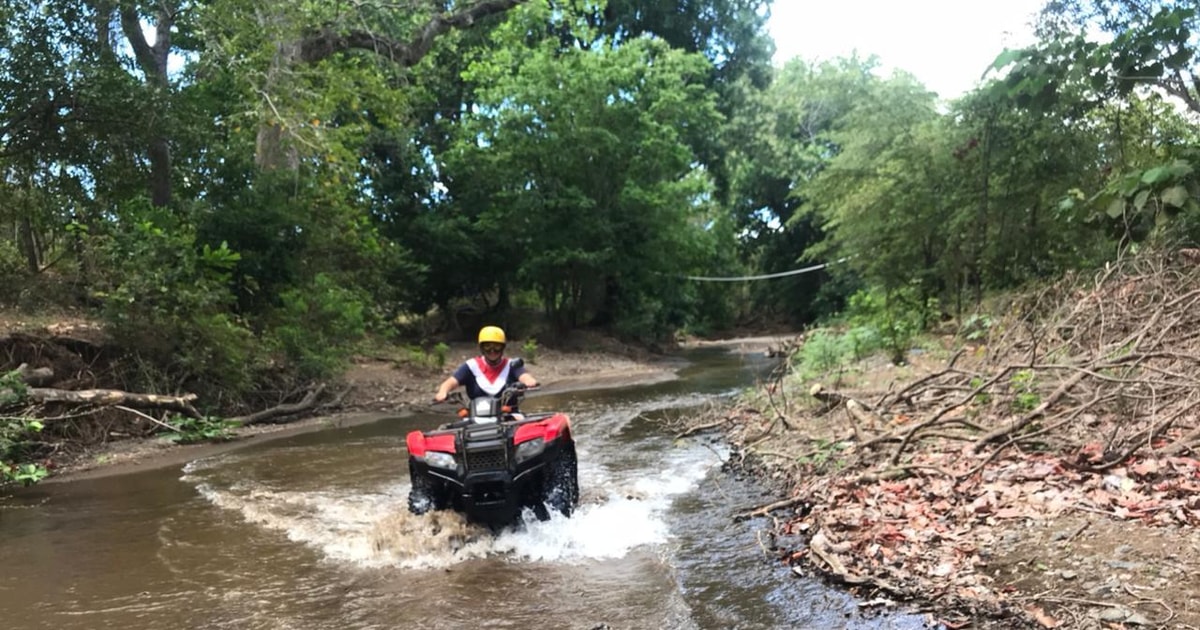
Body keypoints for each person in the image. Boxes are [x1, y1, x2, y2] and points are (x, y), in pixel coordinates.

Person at [434, 325, 538, 404]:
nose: (492, 350)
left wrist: (529, 381)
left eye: (496, 346)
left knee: (520, 421)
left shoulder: (511, 365)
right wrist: (443, 392)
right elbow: (450, 382)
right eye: (487, 346)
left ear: (502, 347)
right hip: (476, 415)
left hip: (509, 414)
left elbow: (524, 376)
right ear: (481, 348)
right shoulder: (471, 366)